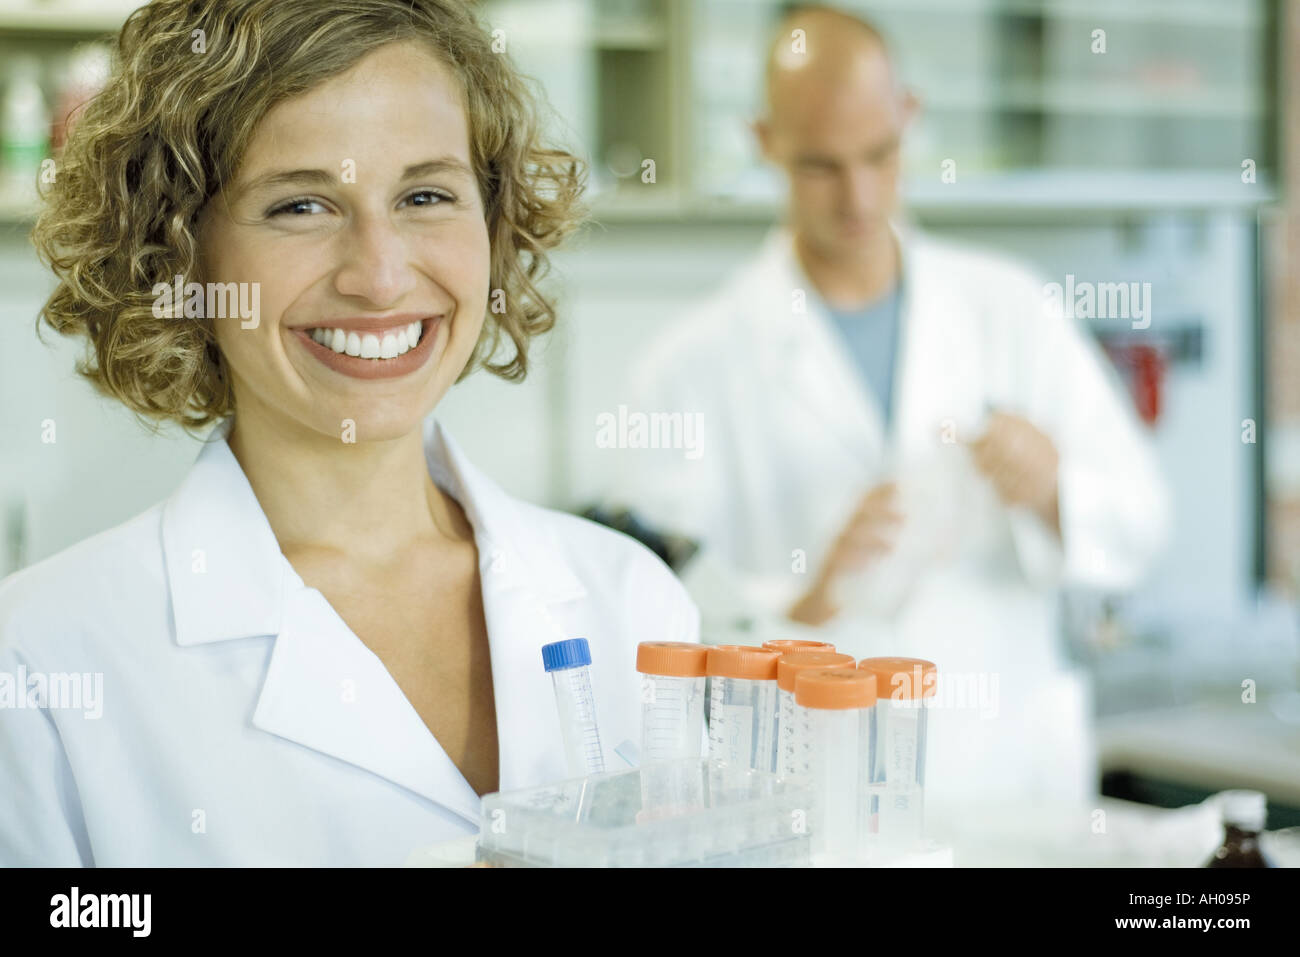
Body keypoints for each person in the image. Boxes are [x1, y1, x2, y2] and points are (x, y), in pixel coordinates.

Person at [0, 0, 697, 866]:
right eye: (301, 206)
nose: (380, 273)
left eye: (426, 195)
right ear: (179, 251)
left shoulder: (630, 600)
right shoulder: (39, 662)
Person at [619, 5, 1169, 815]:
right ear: (765, 141)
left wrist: (1051, 484)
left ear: (909, 116)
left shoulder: (1010, 308)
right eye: (820, 165)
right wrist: (806, 600)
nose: (859, 194)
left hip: (1008, 781)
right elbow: (659, 627)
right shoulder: (691, 367)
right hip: (817, 803)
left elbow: (1144, 521)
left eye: (879, 154)